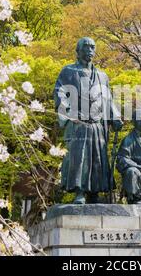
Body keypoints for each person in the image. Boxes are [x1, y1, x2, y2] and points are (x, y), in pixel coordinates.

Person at [53, 37, 123, 204]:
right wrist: (68, 113)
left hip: (97, 124)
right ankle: (80, 192)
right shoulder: (68, 71)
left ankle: (95, 193)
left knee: (98, 157)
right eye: (86, 47)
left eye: (93, 47)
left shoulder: (102, 76)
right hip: (78, 123)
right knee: (79, 157)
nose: (90, 50)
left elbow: (108, 98)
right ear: (78, 50)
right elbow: (59, 92)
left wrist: (115, 117)